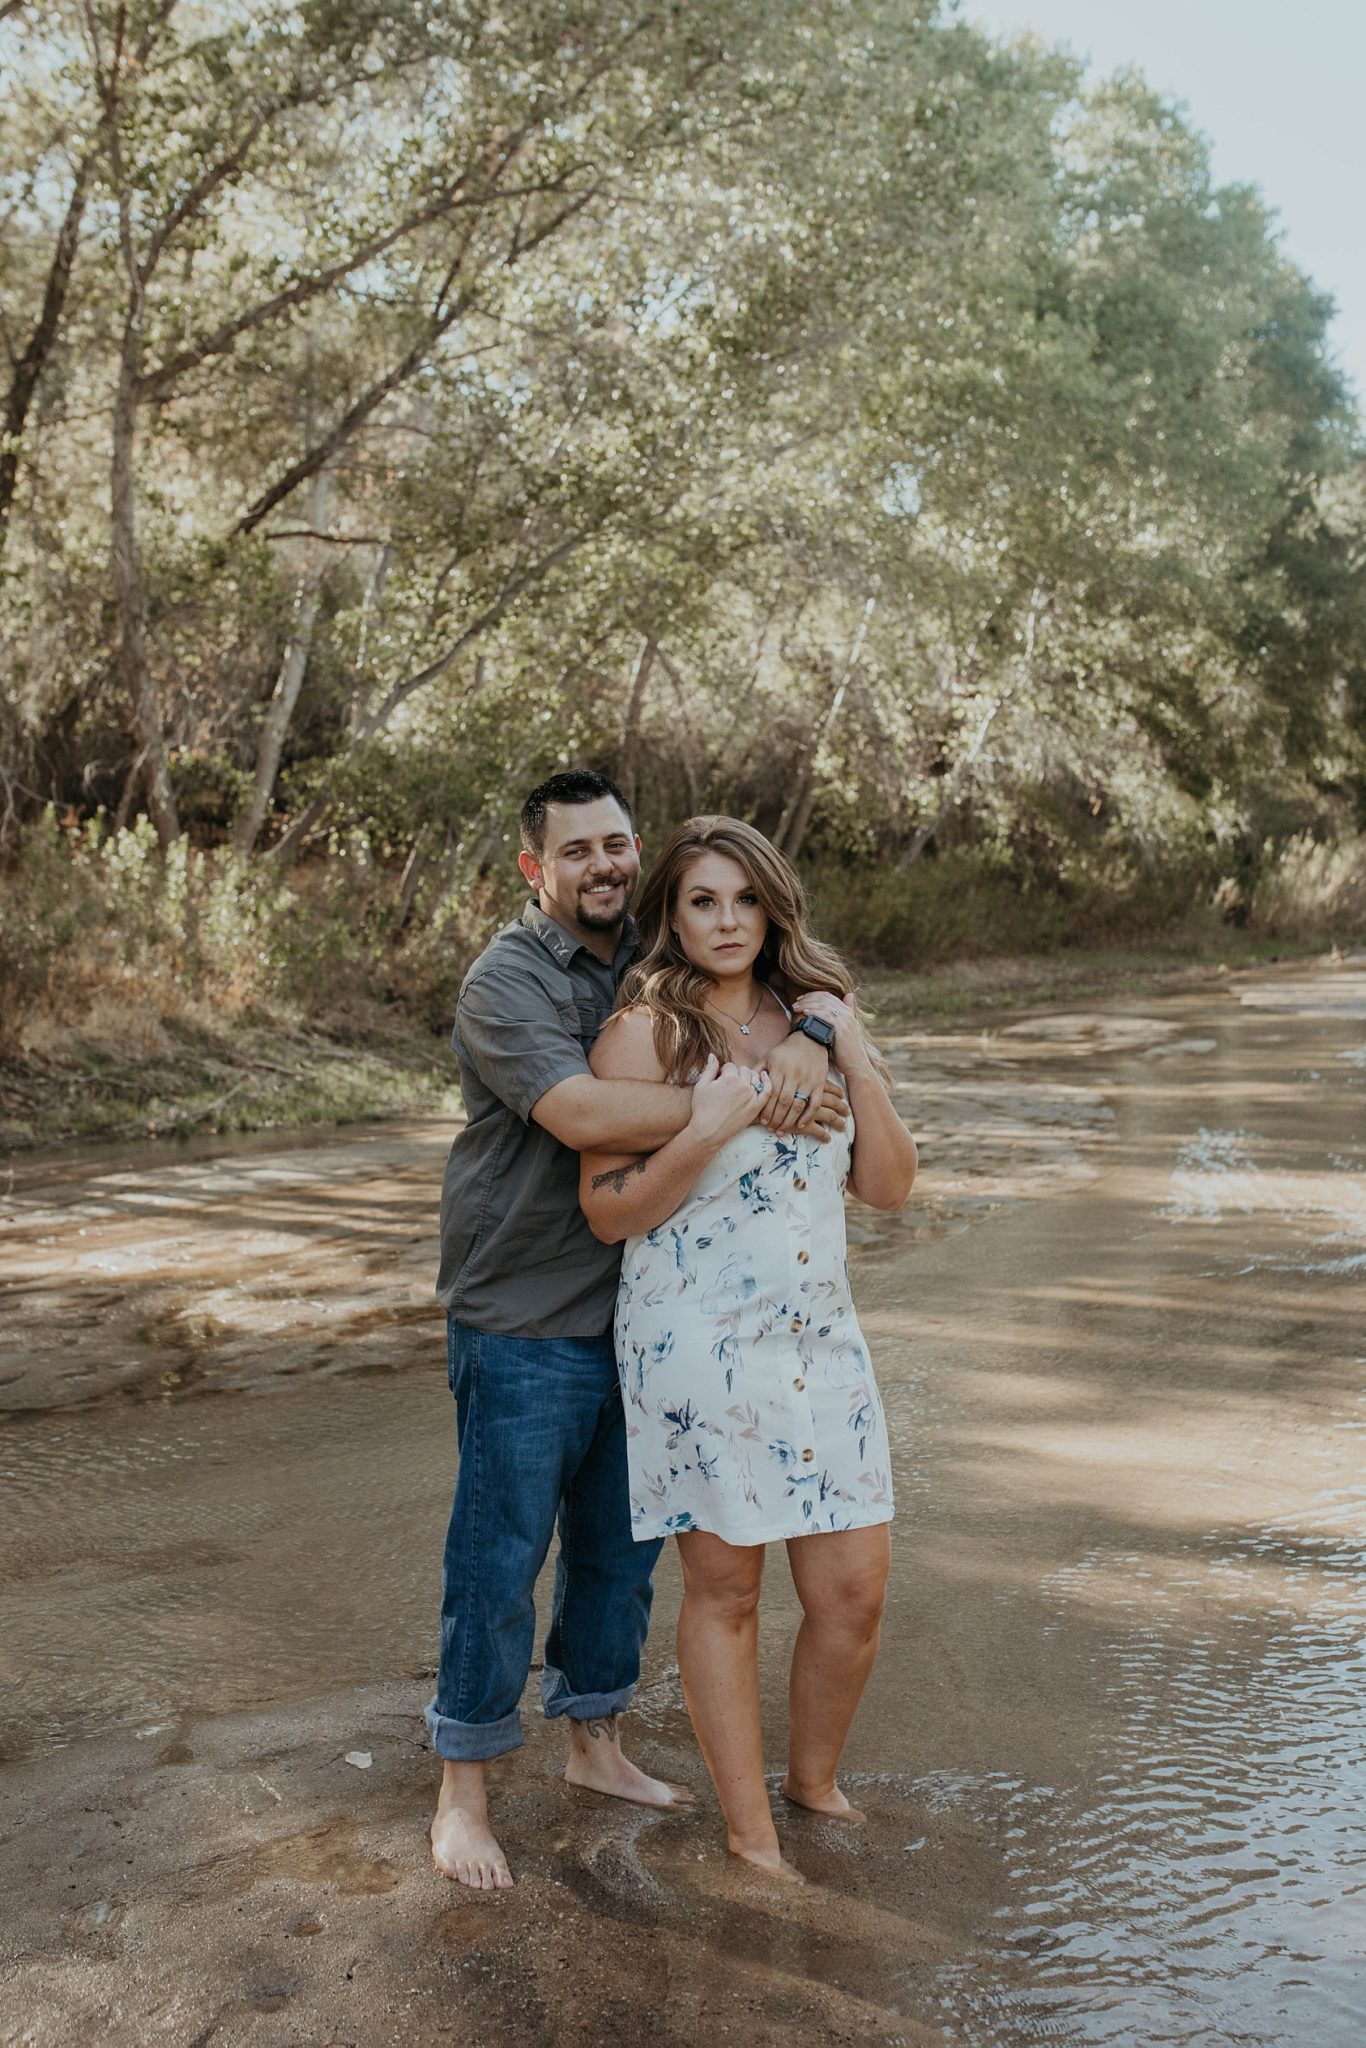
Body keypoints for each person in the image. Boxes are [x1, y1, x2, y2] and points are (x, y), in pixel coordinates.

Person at [427, 772, 844, 1889]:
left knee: (621, 1554)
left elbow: (772, 978)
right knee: (499, 1555)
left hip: (646, 1317)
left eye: (617, 843)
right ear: (535, 868)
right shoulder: (504, 979)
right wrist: (757, 1093)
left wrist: (810, 1028)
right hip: (521, 1310)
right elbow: (578, 1111)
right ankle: (461, 1792)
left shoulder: (648, 956)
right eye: (578, 851)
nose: (604, 865)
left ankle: (592, 1741)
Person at [580, 814, 918, 1880]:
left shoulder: (814, 1014)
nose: (726, 921)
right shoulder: (647, 1034)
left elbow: (890, 1186)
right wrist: (705, 1124)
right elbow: (605, 1211)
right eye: (700, 901)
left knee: (852, 1590)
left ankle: (813, 1781)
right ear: (670, 916)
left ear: (772, 904)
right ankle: (751, 1831)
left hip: (821, 1338)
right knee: (726, 1590)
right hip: (694, 1344)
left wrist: (848, 1046)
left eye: (742, 898)